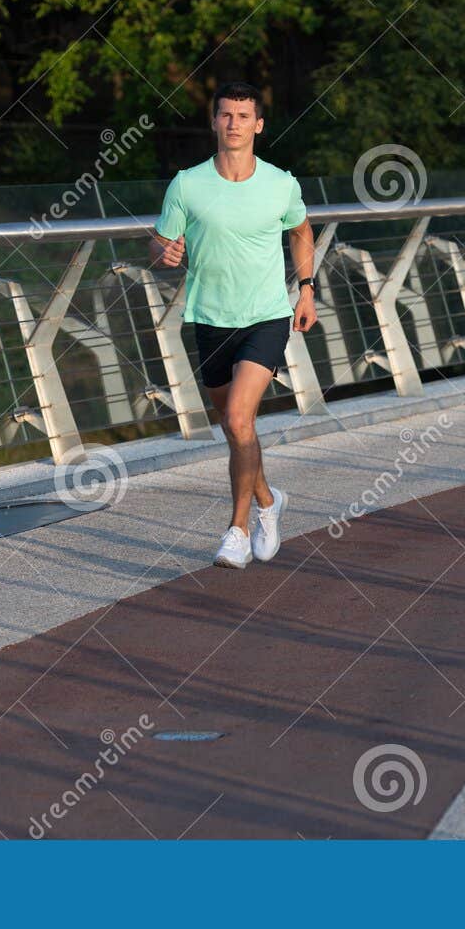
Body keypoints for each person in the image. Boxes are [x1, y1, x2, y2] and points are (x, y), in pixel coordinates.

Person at [149, 81, 318, 568]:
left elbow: (301, 230)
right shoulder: (187, 183)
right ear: (214, 122)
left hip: (267, 316)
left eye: (244, 116)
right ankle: (269, 500)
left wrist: (306, 289)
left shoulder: (281, 183)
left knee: (240, 420)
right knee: (235, 428)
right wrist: (165, 252)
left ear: (258, 125)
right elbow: (158, 245)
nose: (234, 124)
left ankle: (238, 530)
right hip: (210, 317)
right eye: (226, 115)